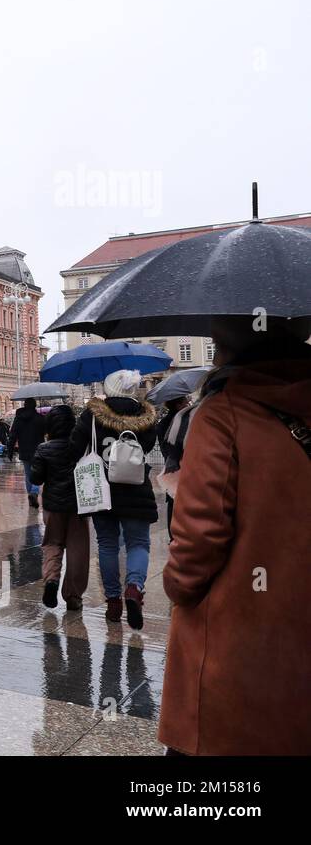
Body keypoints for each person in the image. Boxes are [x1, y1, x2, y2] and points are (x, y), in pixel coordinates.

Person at [158, 317, 311, 755]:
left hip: (239, 637)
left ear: (228, 344)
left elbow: (200, 534)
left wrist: (178, 586)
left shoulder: (225, 412)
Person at [69, 369, 158, 628]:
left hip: (102, 489)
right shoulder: (145, 415)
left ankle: (113, 601)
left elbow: (74, 447)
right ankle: (134, 588)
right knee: (138, 543)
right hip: (136, 489)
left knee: (107, 545)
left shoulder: (92, 414)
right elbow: (148, 446)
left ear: (108, 388)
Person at [28, 405, 88, 610]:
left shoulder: (44, 448)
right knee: (78, 549)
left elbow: (36, 478)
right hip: (79, 505)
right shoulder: (80, 447)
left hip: (53, 506)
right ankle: (73, 596)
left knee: (52, 543)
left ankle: (51, 580)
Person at [155, 394, 190, 539]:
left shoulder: (163, 423)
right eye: (185, 401)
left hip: (170, 468)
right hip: (184, 468)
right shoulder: (185, 420)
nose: (188, 403)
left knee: (172, 502)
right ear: (178, 404)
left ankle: (173, 536)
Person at [7, 397, 46, 508]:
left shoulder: (19, 419)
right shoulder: (40, 418)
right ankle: (34, 492)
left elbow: (13, 435)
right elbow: (45, 431)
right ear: (35, 406)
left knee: (28, 474)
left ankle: (30, 495)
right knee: (38, 473)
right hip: (38, 450)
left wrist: (10, 450)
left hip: (24, 450)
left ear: (24, 405)